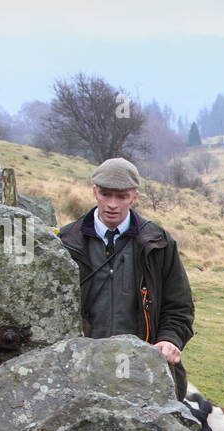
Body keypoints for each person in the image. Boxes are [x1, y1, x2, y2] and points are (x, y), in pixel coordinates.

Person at [58, 158, 195, 400]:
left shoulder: (159, 243)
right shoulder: (66, 242)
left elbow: (179, 307)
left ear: (134, 197)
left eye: (121, 196)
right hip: (80, 372)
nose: (112, 204)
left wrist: (168, 339)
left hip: (143, 372)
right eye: (105, 194)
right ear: (94, 193)